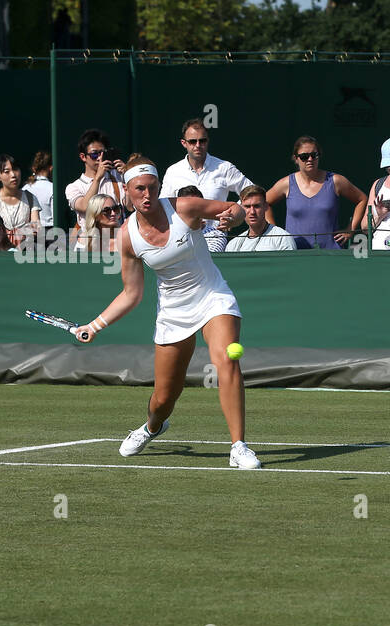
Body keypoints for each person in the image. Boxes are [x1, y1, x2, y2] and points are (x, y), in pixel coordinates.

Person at [71, 156, 260, 470]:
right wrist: (96, 324)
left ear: (159, 187)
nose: (147, 194)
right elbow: (132, 294)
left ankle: (238, 446)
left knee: (227, 357)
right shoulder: (127, 237)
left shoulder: (184, 207)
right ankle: (152, 426)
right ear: (128, 193)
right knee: (163, 398)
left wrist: (233, 217)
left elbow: (235, 208)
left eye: (152, 187)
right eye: (139, 189)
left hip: (213, 296)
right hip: (173, 313)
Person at [266, 136, 366, 249]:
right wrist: (274, 232)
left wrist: (351, 229)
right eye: (304, 156)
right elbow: (264, 203)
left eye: (314, 155)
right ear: (296, 158)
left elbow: (362, 199)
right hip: (295, 254)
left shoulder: (335, 181)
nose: (310, 159)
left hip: (331, 254)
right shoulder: (286, 183)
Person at [161, 118, 253, 206]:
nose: (198, 145)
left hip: (219, 222)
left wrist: (233, 212)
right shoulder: (173, 172)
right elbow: (164, 205)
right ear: (184, 143)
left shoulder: (224, 168)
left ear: (207, 141)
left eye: (202, 141)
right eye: (193, 141)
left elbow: (252, 192)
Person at [0, 154, 41, 245]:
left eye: (15, 169)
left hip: (23, 254)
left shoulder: (30, 198)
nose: (13, 175)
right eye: (7, 171)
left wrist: (24, 232)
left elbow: (36, 228)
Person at [65, 128, 125, 219]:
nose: (99, 158)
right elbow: (85, 207)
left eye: (102, 153)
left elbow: (130, 206)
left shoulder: (117, 177)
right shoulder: (74, 187)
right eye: (94, 154)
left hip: (117, 232)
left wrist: (128, 175)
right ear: (83, 157)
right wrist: (97, 178)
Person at [225, 185, 296, 252]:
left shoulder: (282, 238)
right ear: (241, 209)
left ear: (265, 207)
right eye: (247, 206)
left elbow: (290, 264)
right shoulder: (233, 245)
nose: (252, 212)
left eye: (256, 206)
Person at [175, 186, 226, 252]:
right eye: (189, 206)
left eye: (197, 206)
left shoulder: (215, 235)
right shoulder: (168, 233)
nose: (194, 210)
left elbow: (209, 258)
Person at [27, 151, 55, 229]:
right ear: (51, 168)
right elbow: (56, 218)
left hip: (29, 235)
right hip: (49, 235)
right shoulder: (52, 188)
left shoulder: (25, 188)